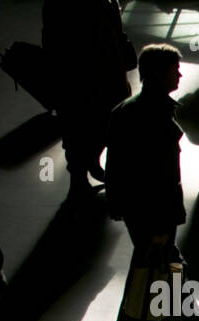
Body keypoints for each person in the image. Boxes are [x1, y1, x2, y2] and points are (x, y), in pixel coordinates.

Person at [105, 44, 199, 321]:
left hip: (140, 213)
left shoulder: (127, 111)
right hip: (154, 216)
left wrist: (119, 206)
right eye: (174, 69)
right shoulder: (154, 116)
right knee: (145, 279)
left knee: (168, 269)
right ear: (158, 73)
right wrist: (160, 225)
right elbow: (157, 178)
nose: (180, 74)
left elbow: (116, 169)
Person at [42, 0, 134, 203]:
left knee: (75, 128)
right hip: (104, 71)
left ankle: (80, 176)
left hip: (72, 75)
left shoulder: (56, 6)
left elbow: (50, 40)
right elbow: (116, 33)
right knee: (103, 123)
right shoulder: (104, 4)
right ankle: (87, 168)